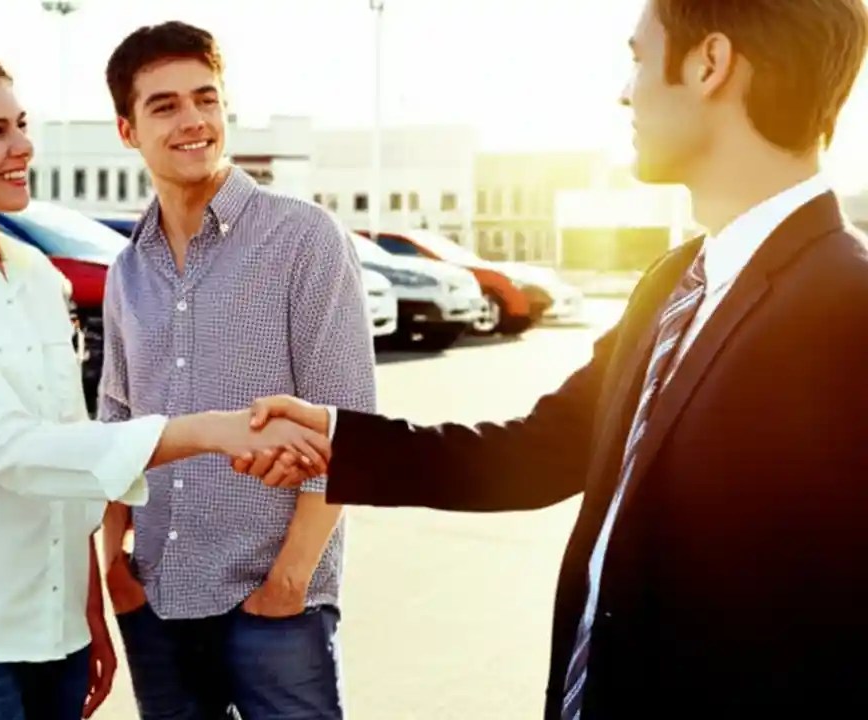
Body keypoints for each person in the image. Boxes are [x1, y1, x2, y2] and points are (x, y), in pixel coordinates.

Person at [240, 0, 868, 717]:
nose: (625, 91)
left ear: (710, 63)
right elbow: (548, 448)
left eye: (637, 57)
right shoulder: (675, 279)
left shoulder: (850, 308)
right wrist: (339, 440)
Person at [0, 53, 331, 720]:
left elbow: (70, 450)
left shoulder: (34, 276)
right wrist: (208, 431)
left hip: (55, 638)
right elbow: (10, 449)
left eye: (20, 124)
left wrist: (86, 611)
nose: (23, 145)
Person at [96, 21, 378, 720]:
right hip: (156, 596)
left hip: (275, 607)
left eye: (206, 99)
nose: (193, 121)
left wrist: (288, 582)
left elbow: (351, 428)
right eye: (164, 106)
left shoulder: (304, 238)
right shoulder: (127, 268)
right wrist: (111, 569)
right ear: (128, 131)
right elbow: (115, 424)